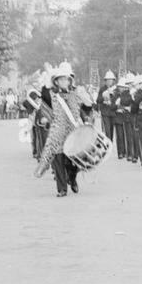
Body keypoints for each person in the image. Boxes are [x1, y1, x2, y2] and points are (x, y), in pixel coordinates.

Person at [34, 62, 94, 197]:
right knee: (58, 160)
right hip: (57, 132)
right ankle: (61, 189)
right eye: (60, 79)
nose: (63, 81)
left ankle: (72, 178)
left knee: (73, 162)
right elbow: (42, 106)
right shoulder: (51, 94)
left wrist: (87, 106)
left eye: (66, 79)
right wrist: (43, 118)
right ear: (56, 81)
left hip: (73, 133)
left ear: (69, 80)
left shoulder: (76, 93)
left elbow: (86, 109)